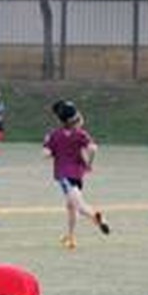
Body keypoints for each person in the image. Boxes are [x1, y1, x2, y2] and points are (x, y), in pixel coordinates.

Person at [43, 100, 110, 250]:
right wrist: (90, 164)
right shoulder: (80, 134)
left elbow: (45, 154)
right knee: (70, 206)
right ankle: (71, 237)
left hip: (64, 175)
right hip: (78, 174)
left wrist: (51, 149)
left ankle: (97, 217)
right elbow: (93, 148)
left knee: (79, 207)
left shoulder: (54, 135)